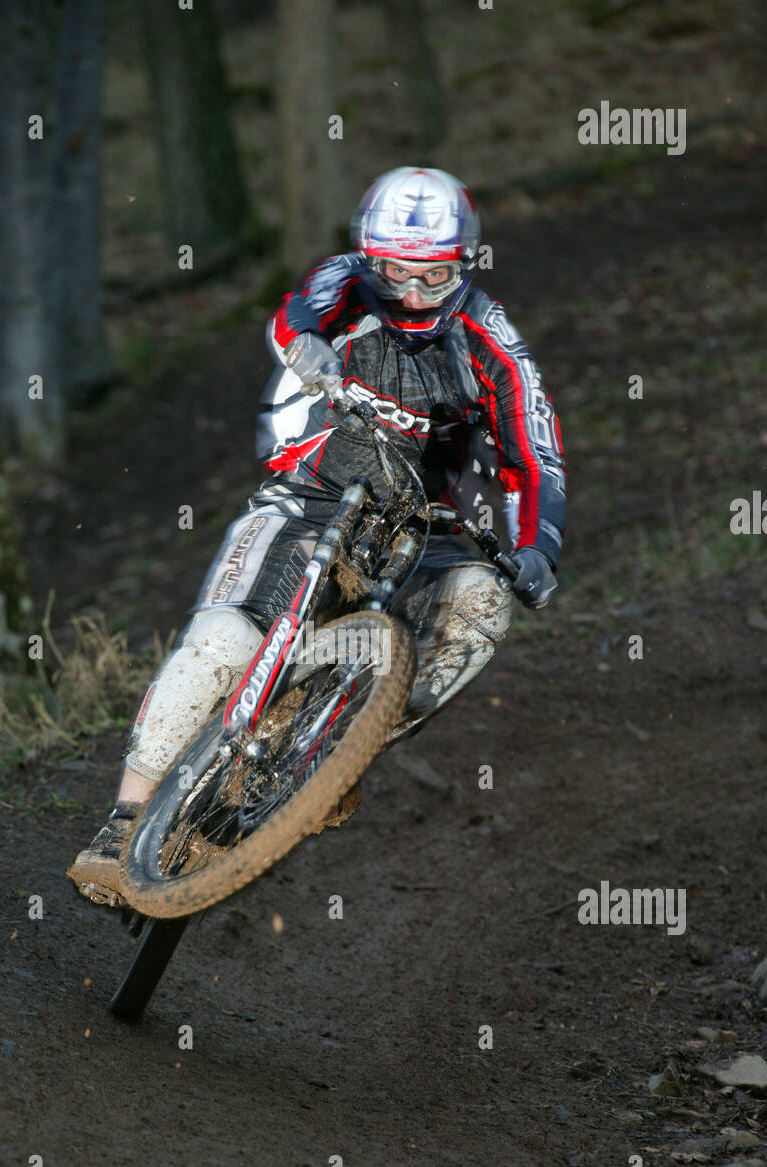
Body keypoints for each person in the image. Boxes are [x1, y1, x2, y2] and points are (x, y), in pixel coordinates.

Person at [68, 166, 567, 908]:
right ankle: (123, 822)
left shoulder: (489, 342)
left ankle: (334, 750)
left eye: (435, 277)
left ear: (465, 265)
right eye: (397, 272)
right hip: (309, 495)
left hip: (428, 526)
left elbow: (536, 453)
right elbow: (296, 312)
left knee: (482, 609)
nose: (413, 294)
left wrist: (537, 548)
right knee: (223, 641)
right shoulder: (345, 286)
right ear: (371, 260)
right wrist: (305, 345)